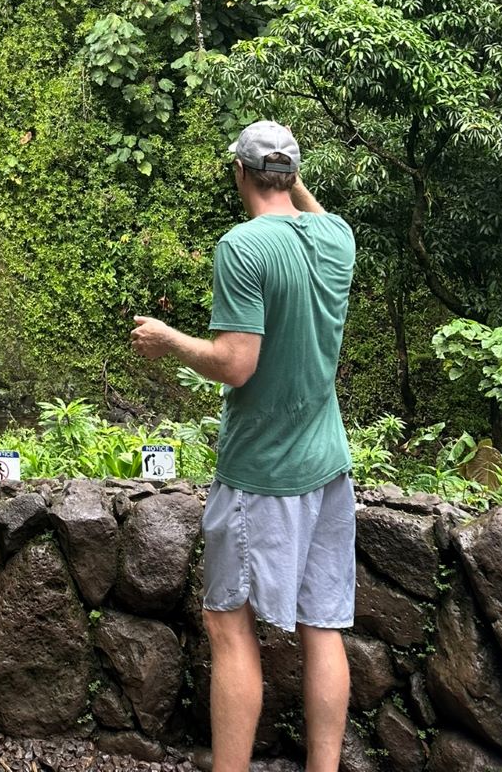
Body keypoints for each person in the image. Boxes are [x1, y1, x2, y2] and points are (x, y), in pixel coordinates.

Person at [130, 121, 356, 772]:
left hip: (263, 472)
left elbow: (235, 363)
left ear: (239, 174)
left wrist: (169, 340)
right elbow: (315, 213)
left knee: (229, 628)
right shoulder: (336, 240)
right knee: (324, 628)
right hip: (328, 468)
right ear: (291, 176)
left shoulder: (244, 247)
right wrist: (291, 177)